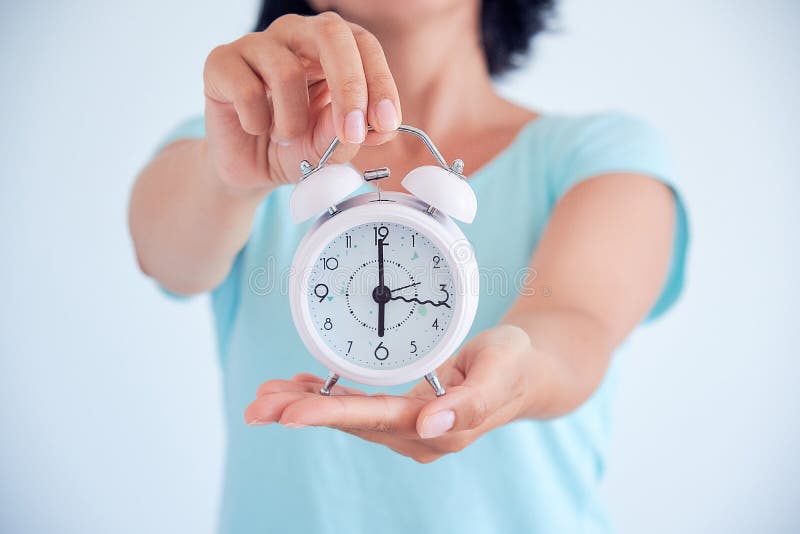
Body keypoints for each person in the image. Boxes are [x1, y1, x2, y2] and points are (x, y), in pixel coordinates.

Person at [129, 0, 688, 532]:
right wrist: (228, 177)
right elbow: (165, 258)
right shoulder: (240, 141)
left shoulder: (599, 152)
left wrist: (520, 373)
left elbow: (576, 321)